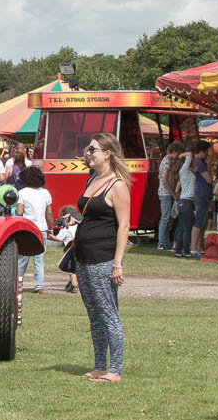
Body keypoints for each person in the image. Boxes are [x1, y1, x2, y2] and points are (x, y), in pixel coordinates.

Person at [74, 132, 131, 383]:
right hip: (83, 258)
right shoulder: (93, 179)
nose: (88, 153)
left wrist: (117, 264)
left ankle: (115, 369)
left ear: (107, 153)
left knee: (109, 313)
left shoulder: (117, 185)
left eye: (92, 149)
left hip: (103, 259)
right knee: (94, 314)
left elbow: (124, 226)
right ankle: (99, 365)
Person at [16, 165, 53, 294]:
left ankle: (17, 284)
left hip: (27, 228)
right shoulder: (45, 192)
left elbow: (19, 211)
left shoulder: (22, 192)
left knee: (22, 258)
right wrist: (51, 228)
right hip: (41, 228)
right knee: (39, 259)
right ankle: (39, 286)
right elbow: (49, 213)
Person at [191, 142, 216, 257]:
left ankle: (199, 247)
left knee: (203, 223)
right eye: (207, 151)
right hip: (202, 195)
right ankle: (194, 248)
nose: (208, 154)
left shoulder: (197, 162)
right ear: (202, 151)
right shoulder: (199, 163)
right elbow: (209, 180)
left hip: (202, 195)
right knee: (199, 222)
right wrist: (209, 166)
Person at [157, 141, 183, 250]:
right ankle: (162, 242)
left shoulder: (167, 161)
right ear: (173, 151)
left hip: (165, 193)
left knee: (167, 218)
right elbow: (165, 179)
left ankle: (165, 240)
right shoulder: (167, 162)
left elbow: (160, 177)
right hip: (166, 193)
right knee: (165, 218)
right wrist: (173, 193)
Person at [174, 143, 197, 257]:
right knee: (187, 228)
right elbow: (189, 155)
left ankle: (178, 250)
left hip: (184, 201)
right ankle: (186, 251)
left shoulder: (188, 171)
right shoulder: (184, 170)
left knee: (182, 228)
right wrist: (181, 155)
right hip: (187, 201)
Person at [56, 206, 82, 293]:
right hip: (80, 246)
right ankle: (72, 283)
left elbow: (59, 238)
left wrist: (49, 236)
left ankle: (74, 285)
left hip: (70, 247)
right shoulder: (78, 224)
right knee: (77, 265)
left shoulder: (66, 227)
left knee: (70, 266)